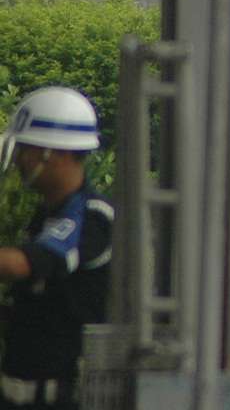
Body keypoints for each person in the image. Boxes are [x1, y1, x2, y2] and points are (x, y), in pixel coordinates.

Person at [0, 87, 112, 410]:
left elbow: (22, 265)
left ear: (56, 153)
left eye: (26, 149)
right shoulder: (48, 216)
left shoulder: (92, 215)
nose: (20, 158)